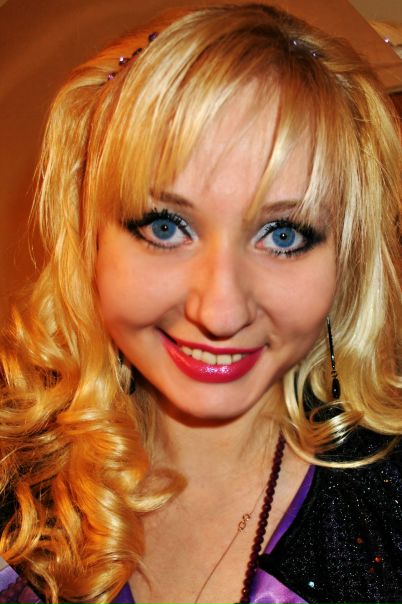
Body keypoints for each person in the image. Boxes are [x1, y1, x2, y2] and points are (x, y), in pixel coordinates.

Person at [0, 3, 401, 604]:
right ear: (90, 239)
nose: (220, 313)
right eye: (166, 227)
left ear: (347, 258)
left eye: (283, 235)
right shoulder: (15, 473)